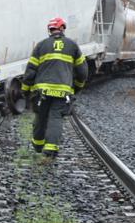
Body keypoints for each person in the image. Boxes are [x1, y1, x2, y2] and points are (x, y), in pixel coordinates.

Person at [21, 17, 89, 157]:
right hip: (63, 91)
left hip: (42, 91)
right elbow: (82, 71)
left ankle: (38, 145)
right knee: (56, 117)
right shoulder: (72, 45)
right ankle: (51, 148)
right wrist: (77, 87)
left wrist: (25, 89)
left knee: (41, 116)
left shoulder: (41, 45)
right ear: (63, 28)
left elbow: (31, 70)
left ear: (50, 30)